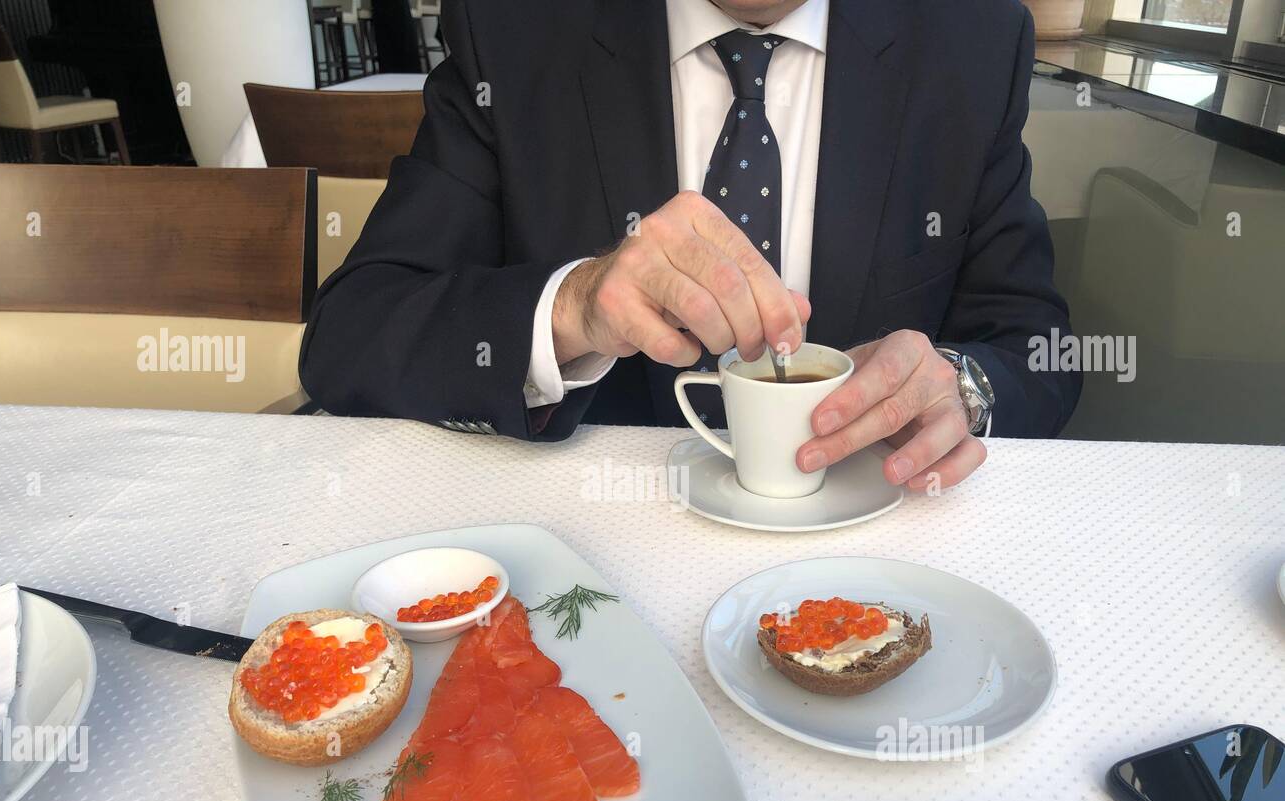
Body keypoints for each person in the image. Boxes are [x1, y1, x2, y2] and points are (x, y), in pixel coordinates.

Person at [300, 0, 1080, 492]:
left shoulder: (970, 40)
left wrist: (961, 387)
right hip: (583, 562)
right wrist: (572, 306)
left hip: (870, 562)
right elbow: (351, 335)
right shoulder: (512, 27)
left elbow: (1037, 348)